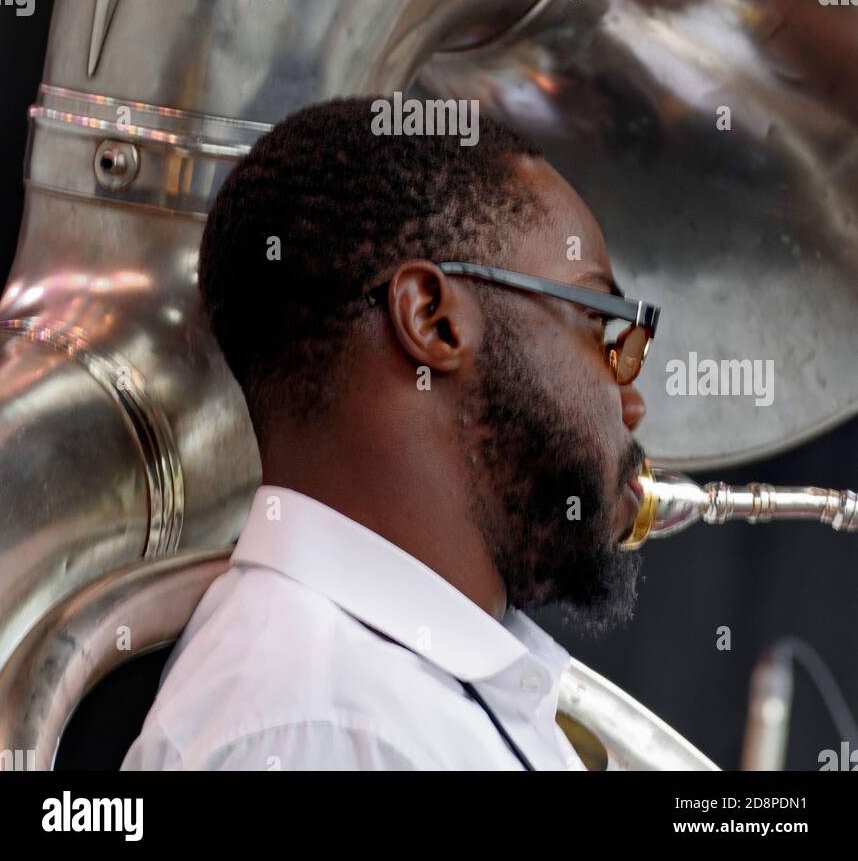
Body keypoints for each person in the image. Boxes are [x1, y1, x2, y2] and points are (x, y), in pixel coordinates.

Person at [121, 96, 656, 771]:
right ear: (432, 320)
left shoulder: (378, 701)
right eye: (597, 323)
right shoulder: (313, 727)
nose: (629, 400)